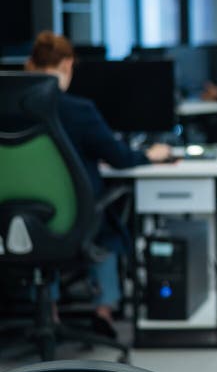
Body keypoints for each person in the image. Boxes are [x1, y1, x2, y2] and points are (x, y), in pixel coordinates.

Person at [25, 31, 172, 338]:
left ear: (31, 65)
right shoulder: (79, 110)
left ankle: (48, 311)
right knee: (108, 223)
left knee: (41, 233)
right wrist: (151, 155)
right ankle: (103, 309)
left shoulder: (13, 109)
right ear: (67, 64)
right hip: (75, 219)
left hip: (19, 221)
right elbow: (120, 157)